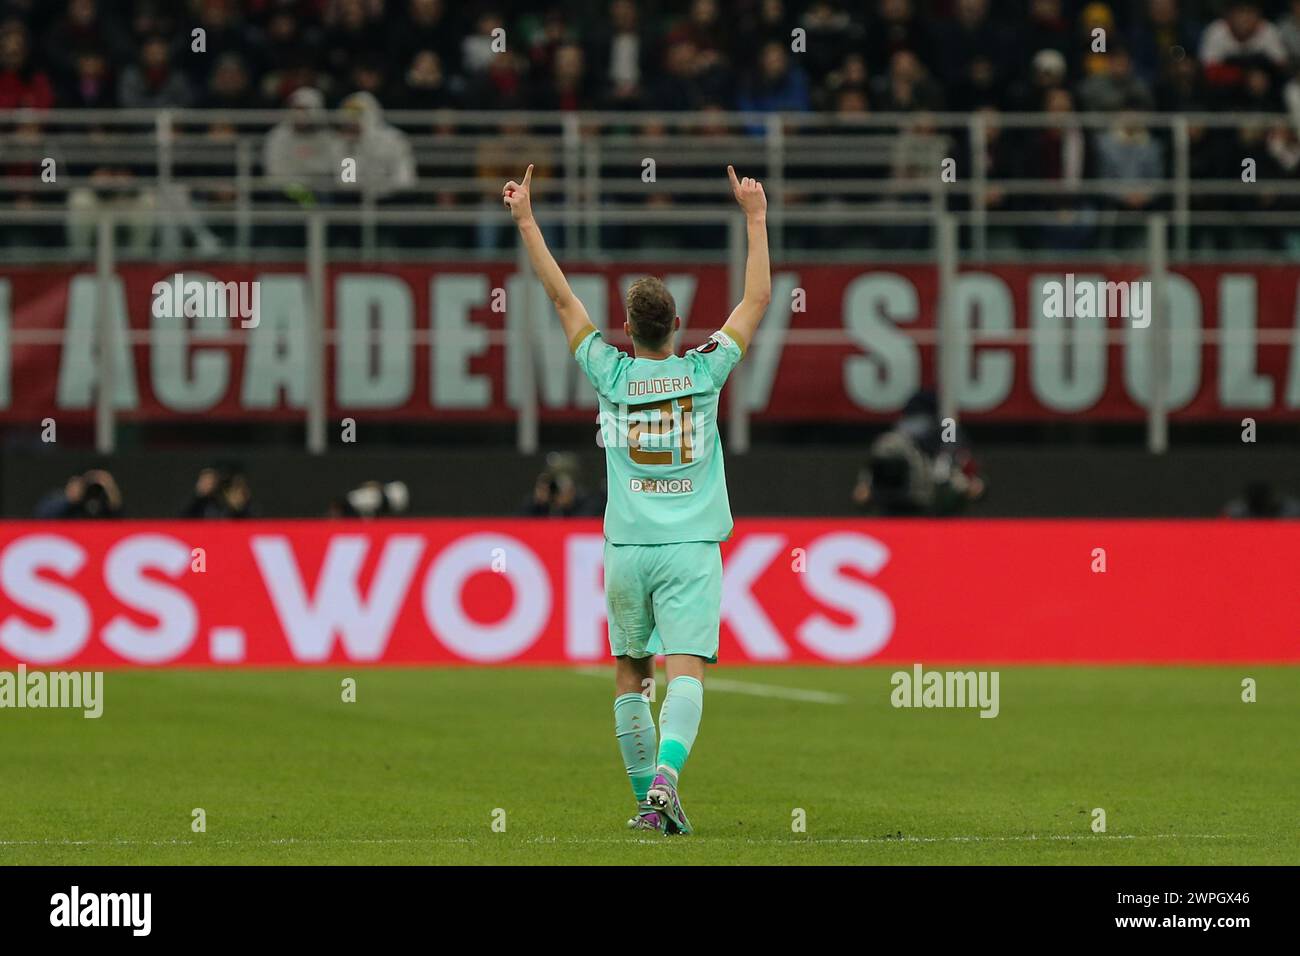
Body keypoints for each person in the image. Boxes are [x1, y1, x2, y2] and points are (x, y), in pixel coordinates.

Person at [504, 161, 770, 836]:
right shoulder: (703, 369)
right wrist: (755, 219)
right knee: (686, 673)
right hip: (689, 548)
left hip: (626, 550)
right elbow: (758, 301)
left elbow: (563, 301)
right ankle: (665, 788)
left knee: (630, 673)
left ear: (628, 325)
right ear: (676, 323)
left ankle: (647, 805)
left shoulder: (610, 371)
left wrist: (528, 220)